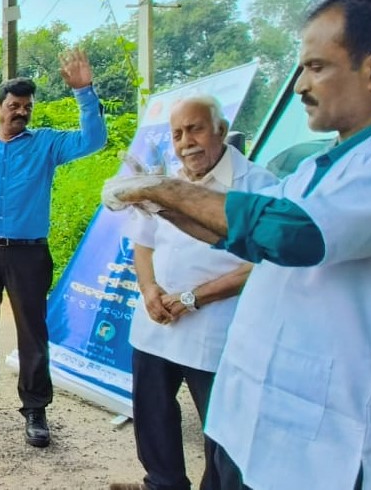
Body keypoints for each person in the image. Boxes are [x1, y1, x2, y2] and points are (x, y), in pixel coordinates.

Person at [103, 0, 371, 490]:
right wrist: (159, 200)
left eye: (317, 67)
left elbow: (292, 234)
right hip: (261, 419)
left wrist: (160, 186)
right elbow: (240, 239)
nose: (301, 84)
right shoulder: (318, 168)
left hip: (335, 439)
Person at [0, 49, 108, 447]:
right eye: (14, 106)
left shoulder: (47, 144)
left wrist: (84, 91)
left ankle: (35, 410)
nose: (21, 113)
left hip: (28, 253)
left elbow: (94, 140)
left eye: (27, 107)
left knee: (33, 331)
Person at [108, 97, 276, 490]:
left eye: (196, 129)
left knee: (222, 434)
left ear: (220, 129)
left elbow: (264, 264)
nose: (187, 142)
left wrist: (195, 297)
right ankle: (163, 484)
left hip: (217, 332)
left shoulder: (258, 185)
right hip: (156, 325)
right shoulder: (166, 181)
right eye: (178, 133)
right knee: (153, 418)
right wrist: (149, 289)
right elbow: (144, 245)